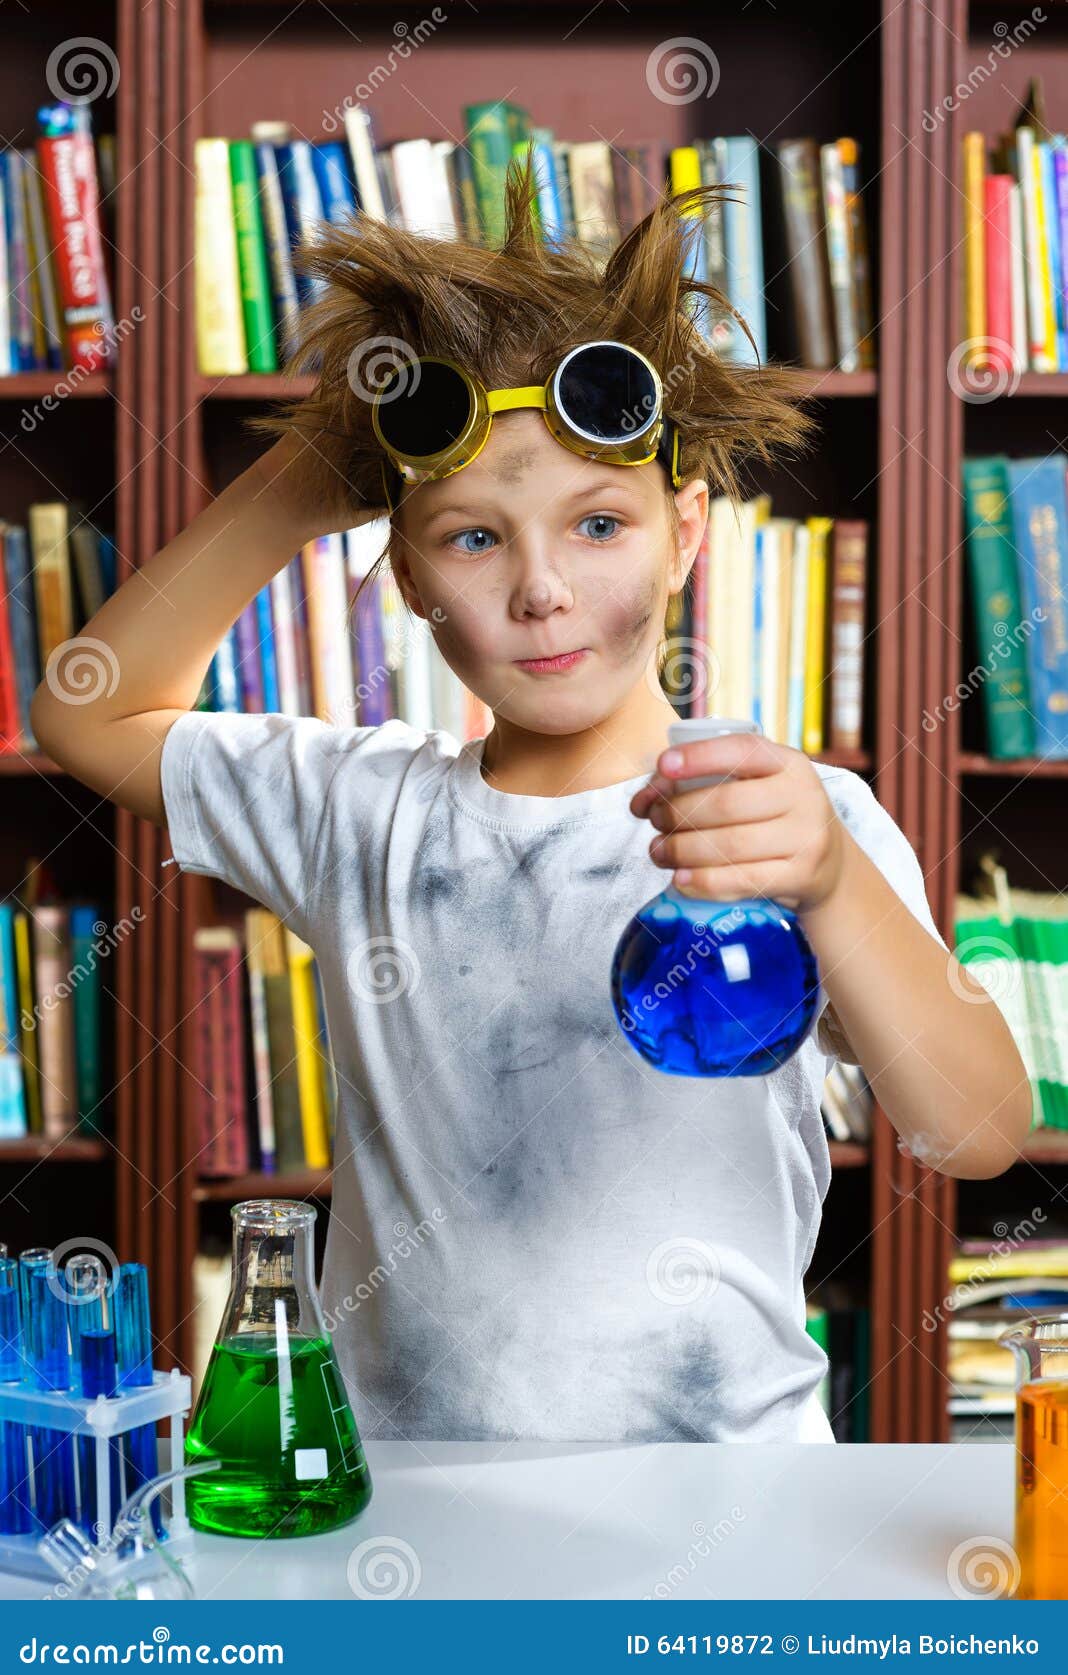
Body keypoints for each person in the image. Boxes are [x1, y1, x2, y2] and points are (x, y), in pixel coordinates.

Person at [31, 162, 1031, 1444]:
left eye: (598, 523)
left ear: (687, 534)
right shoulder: (360, 812)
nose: (543, 590)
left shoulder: (796, 817)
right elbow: (84, 709)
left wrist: (833, 885)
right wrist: (299, 484)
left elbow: (983, 1133)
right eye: (474, 538)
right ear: (405, 575)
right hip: (416, 1517)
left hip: (727, 1508)